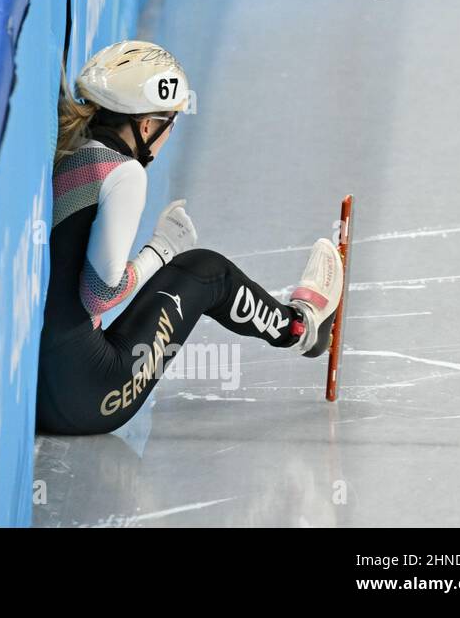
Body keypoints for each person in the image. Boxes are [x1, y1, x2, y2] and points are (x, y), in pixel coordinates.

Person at [36, 41, 344, 435]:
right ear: (147, 125)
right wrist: (161, 250)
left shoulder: (70, 148)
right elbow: (100, 293)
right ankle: (301, 330)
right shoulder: (123, 173)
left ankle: (297, 328)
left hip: (39, 397)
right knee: (206, 271)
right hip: (90, 398)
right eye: (170, 124)